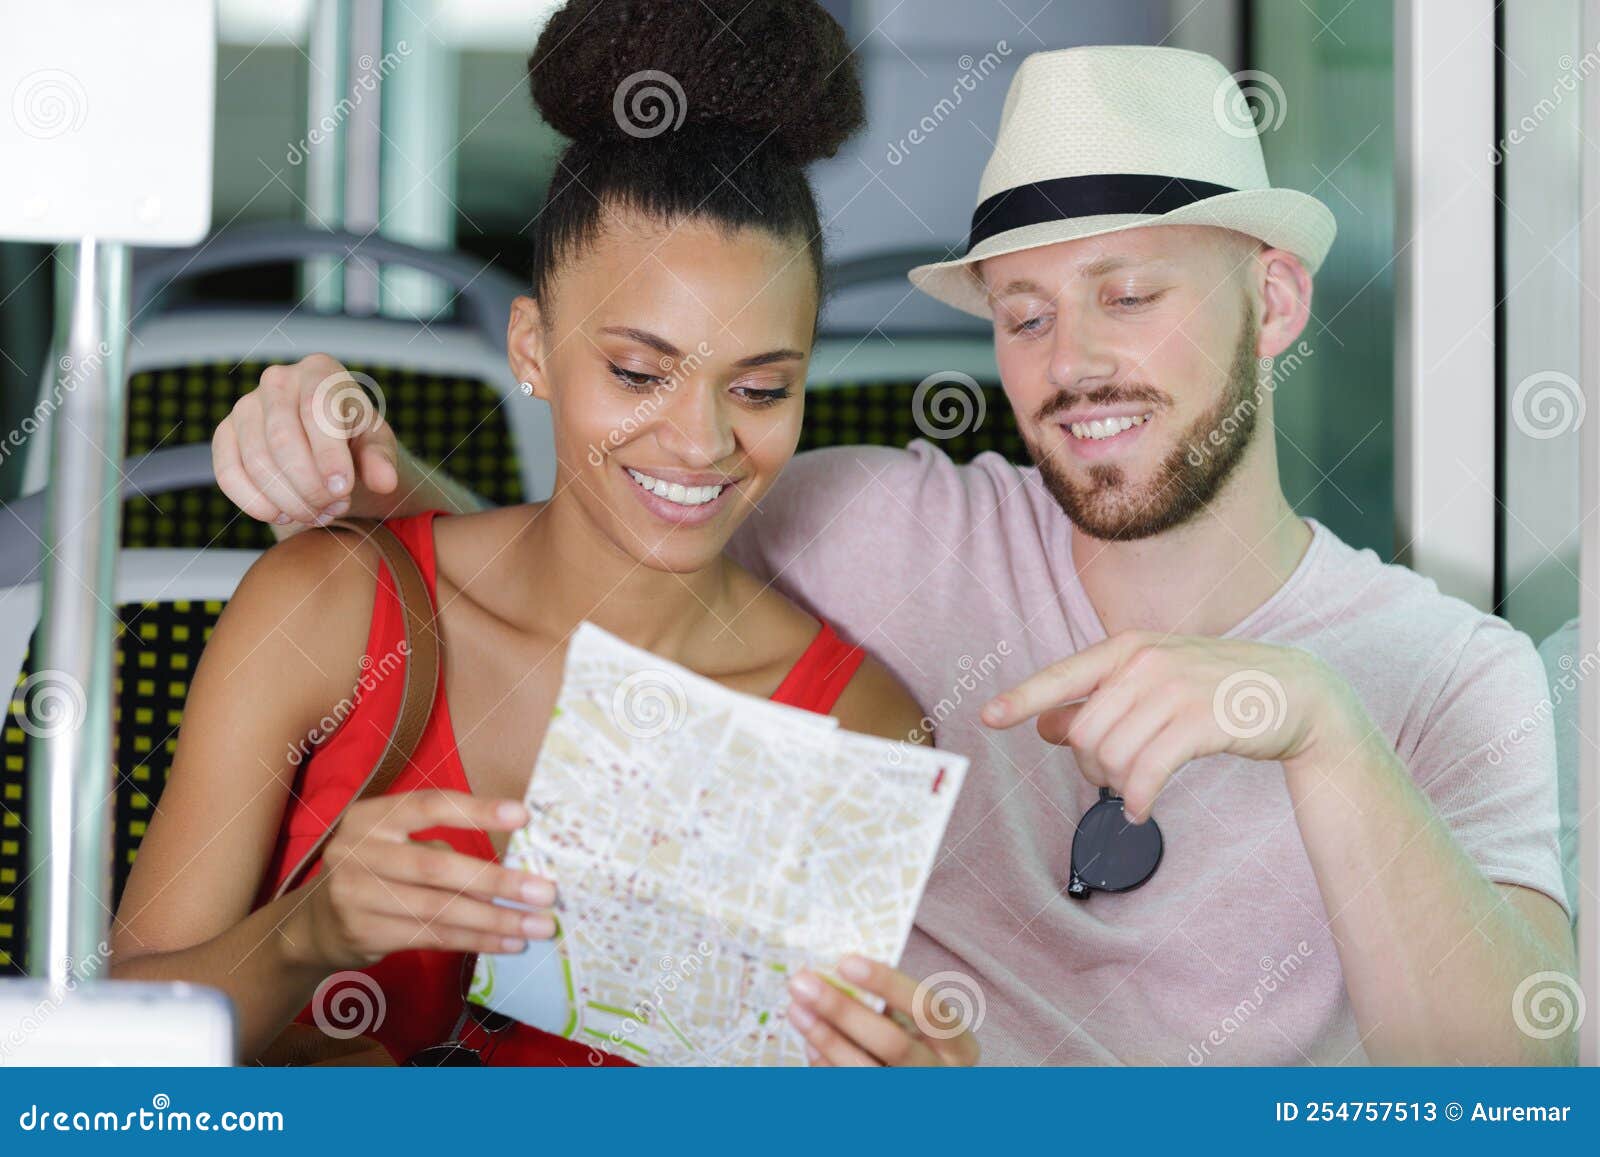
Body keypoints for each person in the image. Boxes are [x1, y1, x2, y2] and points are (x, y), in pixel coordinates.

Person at [207, 44, 1577, 1065]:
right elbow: (621, 531)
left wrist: (1322, 730)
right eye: (1025, 313)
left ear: (1272, 300)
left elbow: (1508, 1091)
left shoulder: (1453, 673)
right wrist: (365, 473)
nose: (1076, 362)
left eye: (1130, 295)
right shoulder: (866, 521)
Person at [109, 0, 979, 1069]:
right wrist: (309, 932)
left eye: (759, 387)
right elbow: (102, 1054)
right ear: (532, 348)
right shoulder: (330, 606)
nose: (700, 441)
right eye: (636, 372)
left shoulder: (857, 729)